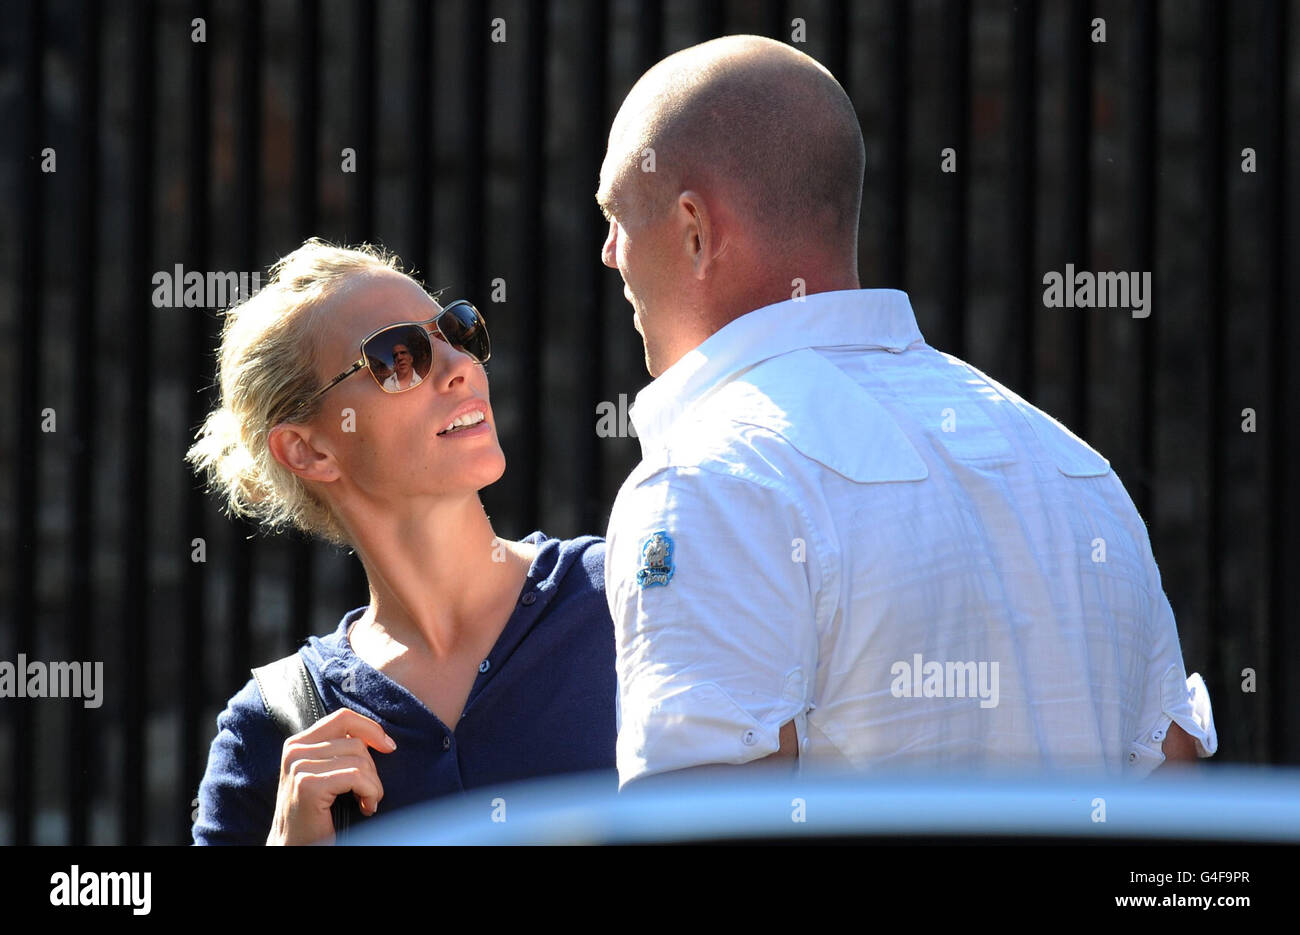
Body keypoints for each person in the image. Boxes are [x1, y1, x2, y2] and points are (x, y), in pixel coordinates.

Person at [596, 35, 1216, 786]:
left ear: (695, 231)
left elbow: (696, 820)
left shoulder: (709, 482)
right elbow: (1174, 801)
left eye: (619, 216)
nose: (608, 252)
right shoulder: (1079, 472)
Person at [188, 238, 615, 844]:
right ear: (308, 450)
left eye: (456, 332)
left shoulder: (623, 597)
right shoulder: (269, 733)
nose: (460, 367)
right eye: (397, 357)